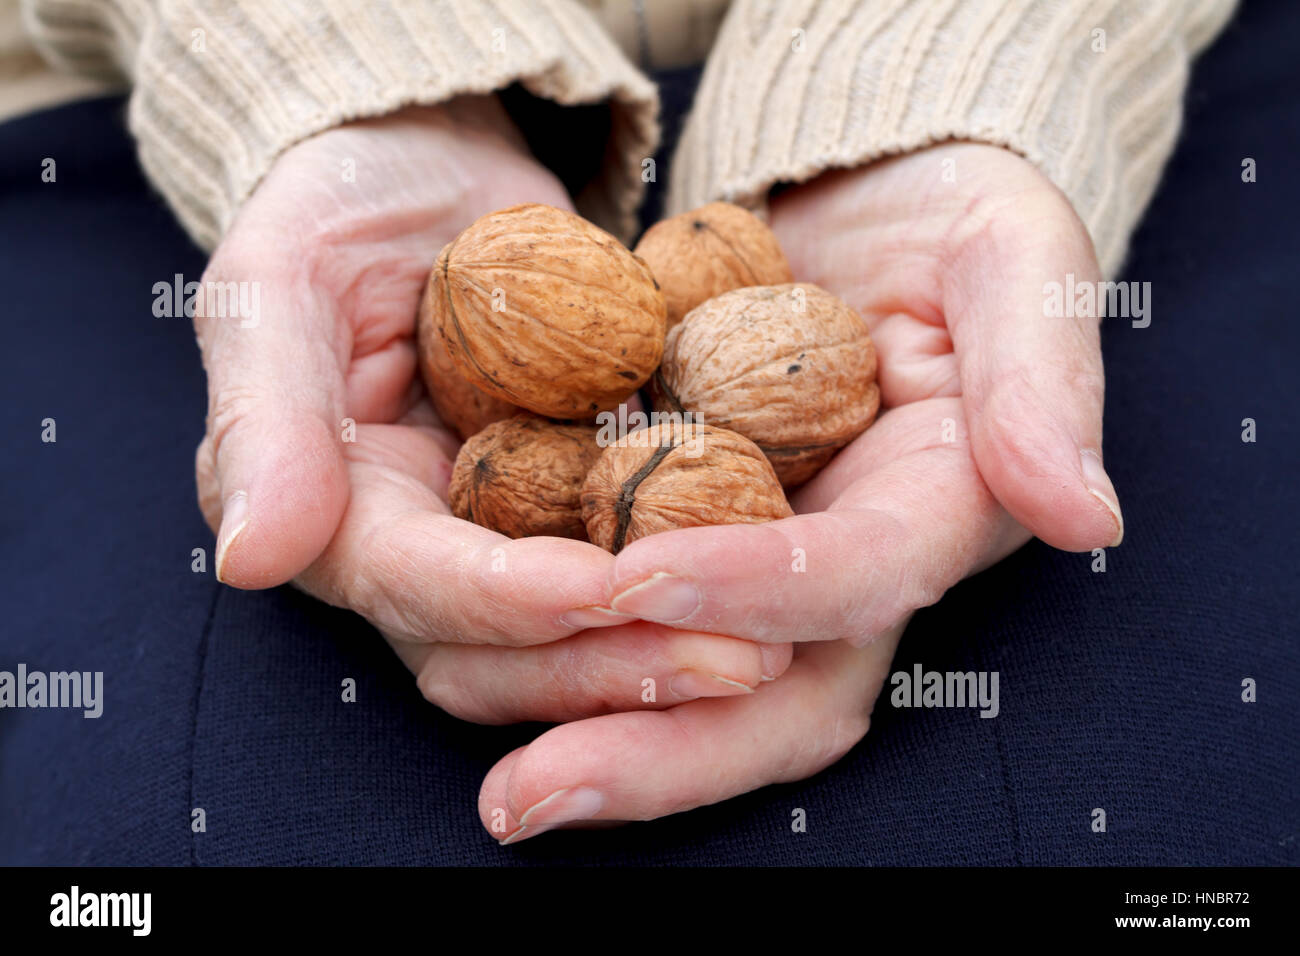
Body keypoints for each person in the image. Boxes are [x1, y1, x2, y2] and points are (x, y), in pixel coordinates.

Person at [5, 0, 1262, 856]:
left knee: (1188, 787)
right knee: (158, 827)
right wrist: (338, 80)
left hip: (1063, 69)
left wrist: (956, 79)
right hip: (154, 100)